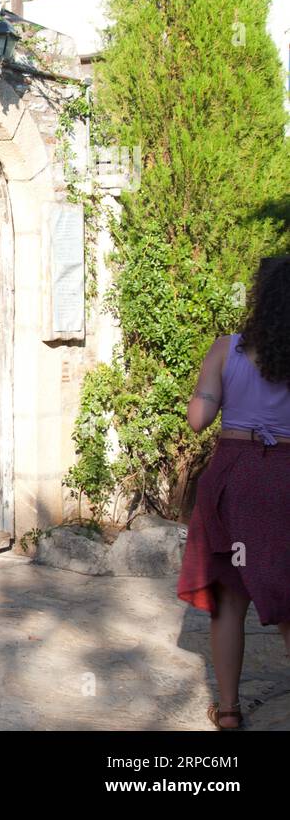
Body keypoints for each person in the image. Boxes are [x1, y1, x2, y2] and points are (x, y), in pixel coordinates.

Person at [178, 255, 290, 730]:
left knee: (229, 597)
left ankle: (227, 710)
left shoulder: (227, 349)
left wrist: (211, 394)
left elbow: (199, 420)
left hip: (234, 478)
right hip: (284, 478)